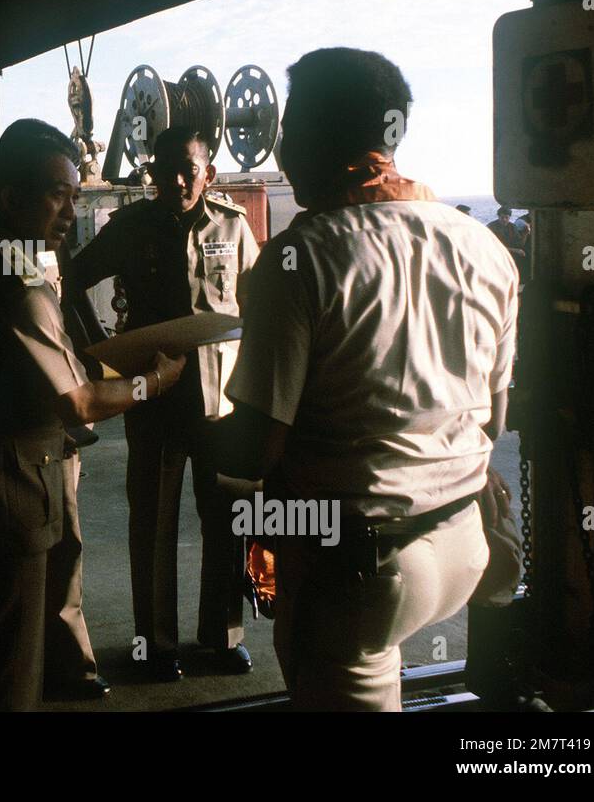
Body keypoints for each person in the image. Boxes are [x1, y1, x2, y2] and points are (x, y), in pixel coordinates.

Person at [221, 47, 517, 710]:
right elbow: (493, 419)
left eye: (290, 128)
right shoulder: (482, 247)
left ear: (322, 136)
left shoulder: (298, 257)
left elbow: (254, 449)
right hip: (463, 542)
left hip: (362, 569)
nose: (282, 147)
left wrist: (167, 403)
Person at [0, 118, 185, 710]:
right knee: (10, 673)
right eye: (59, 196)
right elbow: (78, 401)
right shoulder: (16, 275)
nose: (70, 212)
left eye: (76, 195)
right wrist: (152, 382)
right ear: (13, 198)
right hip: (6, 492)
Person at [65, 125, 260, 681]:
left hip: (221, 401)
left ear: (209, 173)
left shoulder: (234, 225)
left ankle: (222, 638)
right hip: (155, 398)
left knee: (226, 517)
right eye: (164, 171)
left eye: (189, 171)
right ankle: (155, 644)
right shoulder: (131, 229)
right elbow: (73, 277)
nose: (176, 181)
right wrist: (99, 349)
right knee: (153, 521)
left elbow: (256, 303)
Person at [488, 206, 529, 282]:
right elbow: (493, 246)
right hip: (495, 253)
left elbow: (519, 244)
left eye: (507, 217)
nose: (504, 220)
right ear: (498, 216)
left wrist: (525, 234)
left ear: (509, 217)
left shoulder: (512, 227)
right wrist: (515, 250)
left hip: (509, 253)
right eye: (502, 217)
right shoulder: (491, 227)